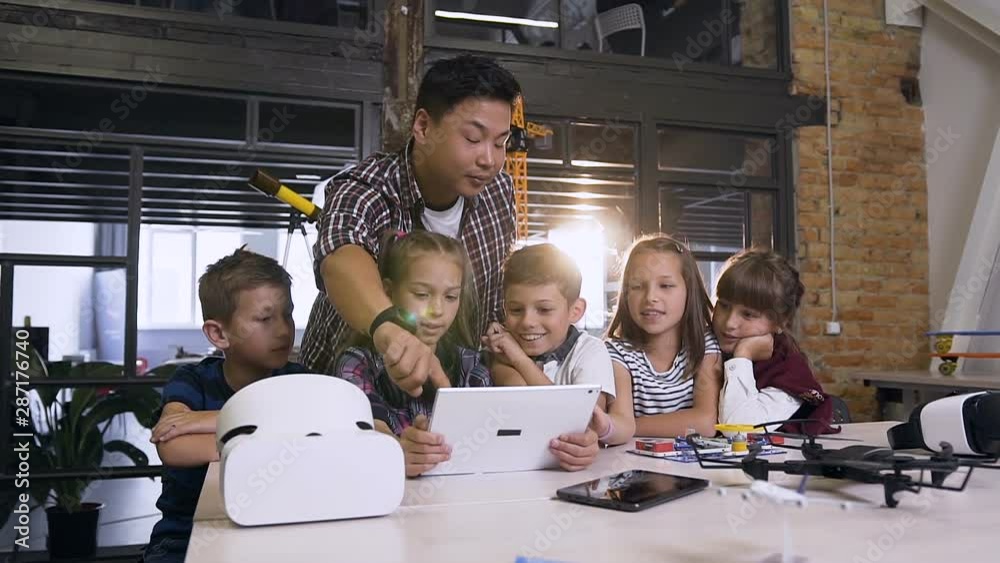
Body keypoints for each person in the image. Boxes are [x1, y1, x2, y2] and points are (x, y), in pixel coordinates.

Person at [301, 55, 520, 399]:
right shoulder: (367, 186)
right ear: (422, 126)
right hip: (343, 398)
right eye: (474, 139)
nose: (489, 159)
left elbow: (489, 313)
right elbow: (341, 257)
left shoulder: (498, 192)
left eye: (500, 142)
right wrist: (392, 332)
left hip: (442, 402)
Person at [336, 232, 598, 476]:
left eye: (451, 296)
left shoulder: (471, 364)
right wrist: (394, 450)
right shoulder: (358, 363)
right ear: (389, 292)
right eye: (421, 294)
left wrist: (577, 443)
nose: (437, 309)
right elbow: (366, 429)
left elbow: (513, 432)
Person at [143, 249, 303, 563]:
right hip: (185, 535)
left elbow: (323, 433)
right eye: (265, 318)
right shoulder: (192, 380)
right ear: (219, 333)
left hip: (276, 529)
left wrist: (213, 421)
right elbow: (173, 445)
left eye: (288, 313)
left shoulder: (299, 380)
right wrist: (275, 434)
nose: (284, 330)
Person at [482, 243, 635, 446]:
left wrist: (519, 359)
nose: (528, 322)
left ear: (576, 310)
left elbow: (580, 422)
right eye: (516, 310)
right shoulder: (498, 349)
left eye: (544, 309)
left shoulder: (590, 351)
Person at [604, 235, 723, 437]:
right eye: (637, 286)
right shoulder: (616, 354)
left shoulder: (705, 345)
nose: (650, 297)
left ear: (689, 291)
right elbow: (616, 420)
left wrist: (627, 427)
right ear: (625, 294)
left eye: (666, 286)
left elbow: (705, 423)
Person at [713, 247, 834, 434]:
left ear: (779, 322)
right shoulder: (705, 347)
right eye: (723, 305)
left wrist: (742, 356)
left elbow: (736, 430)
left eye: (748, 314)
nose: (729, 323)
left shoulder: (788, 371)